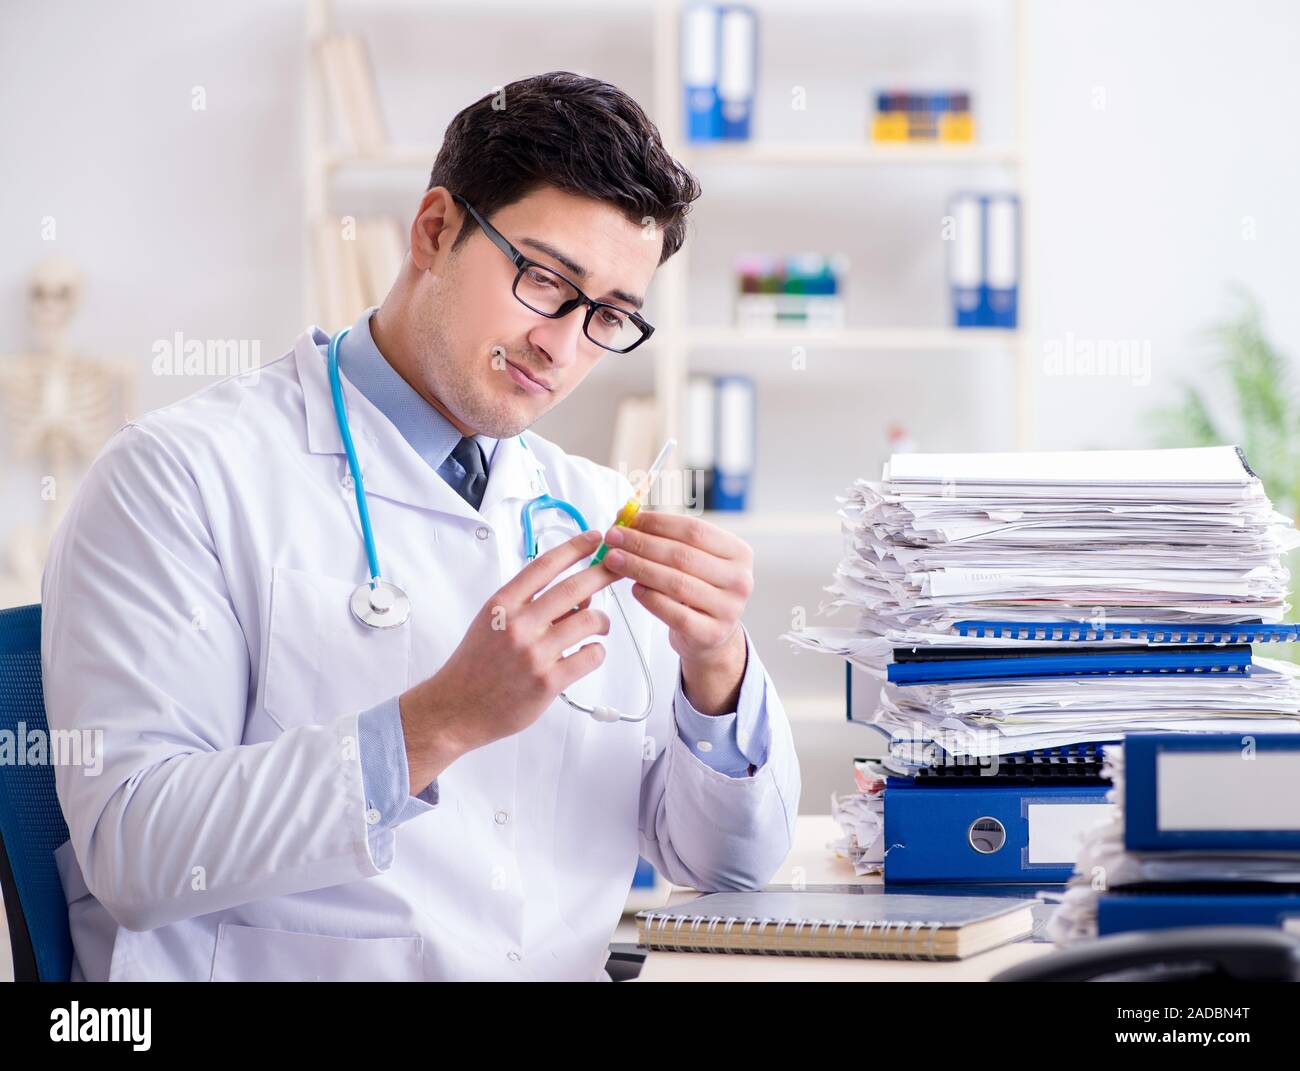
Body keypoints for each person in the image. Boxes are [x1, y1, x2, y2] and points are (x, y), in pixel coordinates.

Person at [41, 71, 800, 981]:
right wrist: (436, 723)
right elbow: (135, 849)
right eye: (544, 279)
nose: (562, 346)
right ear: (435, 230)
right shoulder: (179, 477)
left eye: (607, 315)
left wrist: (717, 671)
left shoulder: (595, 512)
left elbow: (728, 868)